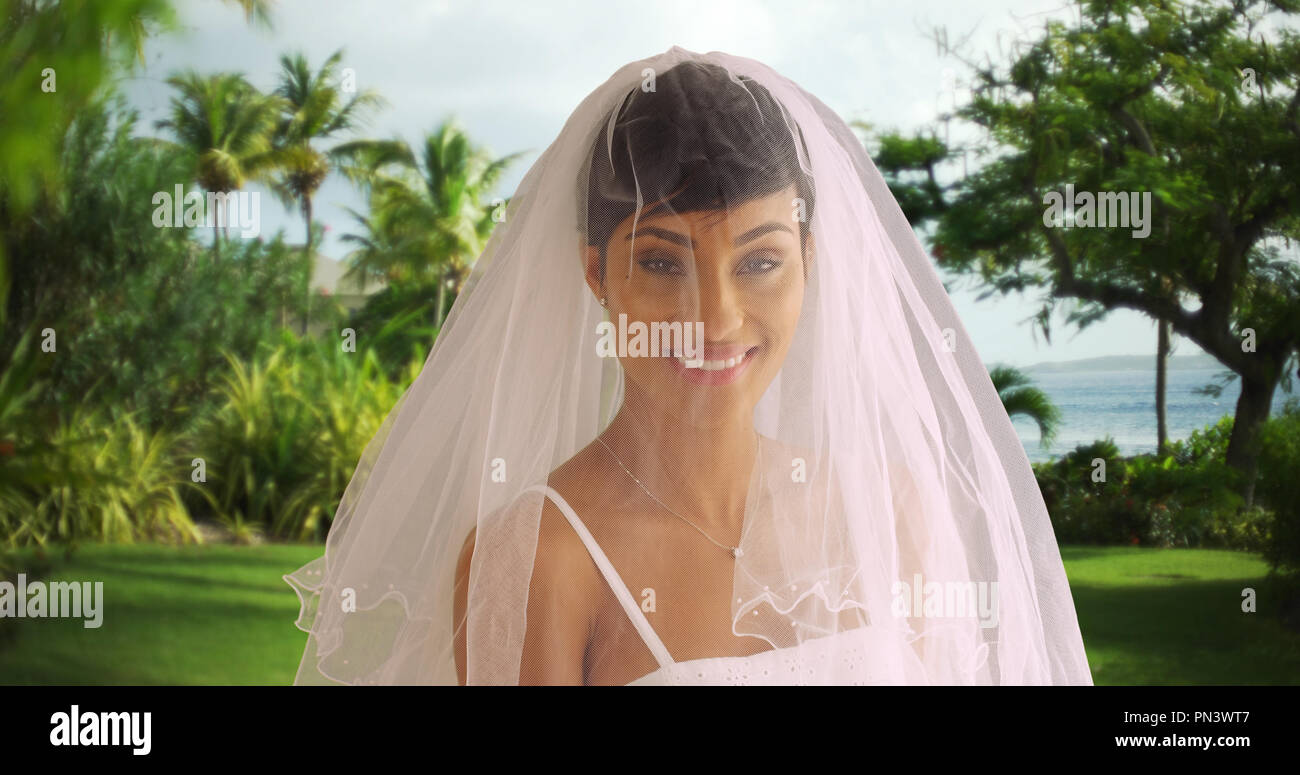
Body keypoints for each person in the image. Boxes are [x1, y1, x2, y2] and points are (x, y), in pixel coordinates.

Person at [284, 46, 1093, 686]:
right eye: (664, 263)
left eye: (761, 260)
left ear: (809, 260)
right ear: (596, 273)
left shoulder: (889, 512)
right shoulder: (535, 560)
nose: (717, 319)